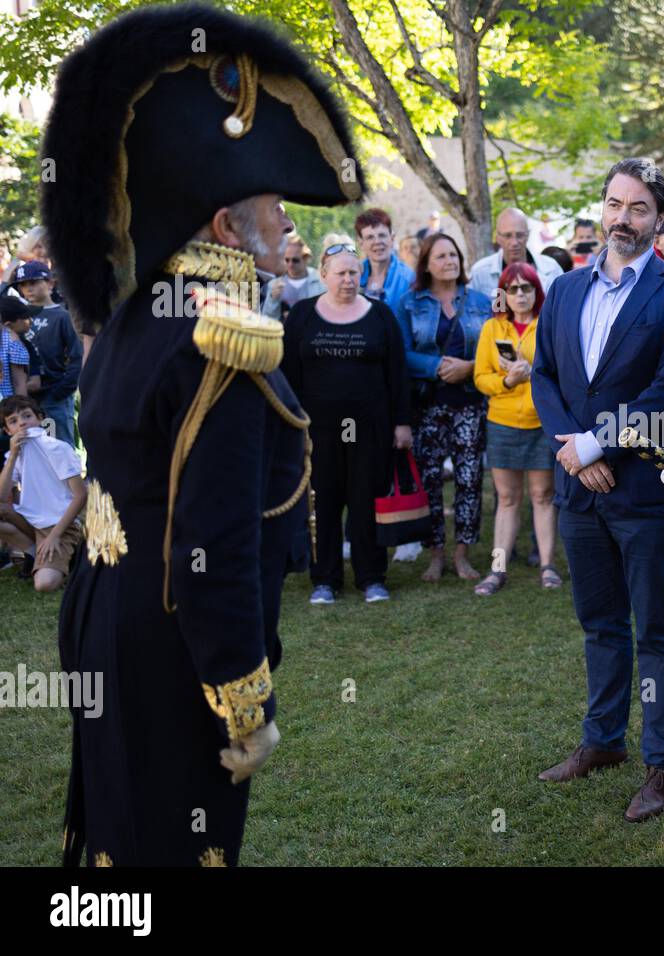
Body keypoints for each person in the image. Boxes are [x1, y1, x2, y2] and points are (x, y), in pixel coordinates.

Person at [42, 3, 364, 866]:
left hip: (105, 616)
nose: (292, 228)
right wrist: (242, 701)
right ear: (225, 228)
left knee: (116, 837)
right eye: (274, 208)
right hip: (174, 645)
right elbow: (216, 542)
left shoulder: (130, 315)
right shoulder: (223, 337)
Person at [531, 157, 664, 822]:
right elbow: (544, 377)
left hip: (644, 494)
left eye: (639, 209)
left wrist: (597, 444)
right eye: (615, 204)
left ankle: (662, 763)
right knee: (599, 625)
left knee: (658, 633)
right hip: (579, 492)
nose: (623, 219)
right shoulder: (567, 291)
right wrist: (573, 451)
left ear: (659, 216)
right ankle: (602, 741)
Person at [283, 244, 411, 605]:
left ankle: (371, 577)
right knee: (323, 500)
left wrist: (402, 424)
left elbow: (397, 374)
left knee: (365, 498)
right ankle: (325, 578)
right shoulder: (303, 316)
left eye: (354, 272)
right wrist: (290, 425)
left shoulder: (381, 316)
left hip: (371, 426)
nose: (348, 279)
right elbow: (288, 376)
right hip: (317, 429)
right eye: (340, 273)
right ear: (323, 275)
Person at [394, 231, 491, 583]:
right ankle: (435, 554)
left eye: (453, 255)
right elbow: (399, 354)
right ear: (427, 264)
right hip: (427, 406)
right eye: (441, 256)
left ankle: (462, 554)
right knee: (430, 481)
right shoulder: (408, 303)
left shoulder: (481, 300)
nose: (450, 261)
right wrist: (434, 367)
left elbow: (497, 345)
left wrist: (469, 368)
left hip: (469, 403)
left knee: (469, 479)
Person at [472, 262, 560, 594]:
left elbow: (560, 373)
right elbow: (480, 377)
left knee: (542, 495)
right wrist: (507, 380)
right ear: (503, 294)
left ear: (537, 292)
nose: (520, 295)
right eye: (513, 289)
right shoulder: (492, 330)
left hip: (541, 423)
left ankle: (548, 565)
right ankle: (497, 568)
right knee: (507, 498)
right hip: (504, 422)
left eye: (527, 288)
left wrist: (532, 374)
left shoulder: (548, 326)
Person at [0, 395, 85, 592]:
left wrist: (54, 535)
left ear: (39, 419)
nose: (22, 423)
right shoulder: (16, 454)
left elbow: (81, 496)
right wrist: (13, 455)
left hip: (60, 524)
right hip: (32, 521)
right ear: (7, 430)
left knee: (44, 584)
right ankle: (33, 553)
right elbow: (2, 497)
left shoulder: (58, 448)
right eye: (13, 421)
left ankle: (71, 557)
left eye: (27, 416)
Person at [13, 260, 81, 445]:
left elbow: (78, 356)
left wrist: (63, 390)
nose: (28, 289)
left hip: (53, 394)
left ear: (50, 283)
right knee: (30, 448)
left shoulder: (63, 316)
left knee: (59, 446)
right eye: (23, 285)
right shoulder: (16, 315)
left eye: (33, 282)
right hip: (24, 396)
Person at [469, 207, 564, 295]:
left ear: (528, 235)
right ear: (497, 238)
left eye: (520, 235)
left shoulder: (551, 269)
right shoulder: (481, 273)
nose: (514, 242)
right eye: (508, 236)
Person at [355, 208, 416, 310]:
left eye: (382, 235)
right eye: (370, 237)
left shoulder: (409, 279)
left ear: (391, 238)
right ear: (361, 243)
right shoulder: (354, 276)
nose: (377, 242)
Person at [262, 234, 326, 320]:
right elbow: (267, 319)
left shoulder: (320, 281)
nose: (290, 264)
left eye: (295, 260)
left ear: (306, 258)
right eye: (287, 260)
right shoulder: (274, 283)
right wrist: (273, 299)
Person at [0, 295, 34, 400]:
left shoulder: (12, 342)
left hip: (5, 406)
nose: (31, 321)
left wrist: (21, 408)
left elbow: (19, 382)